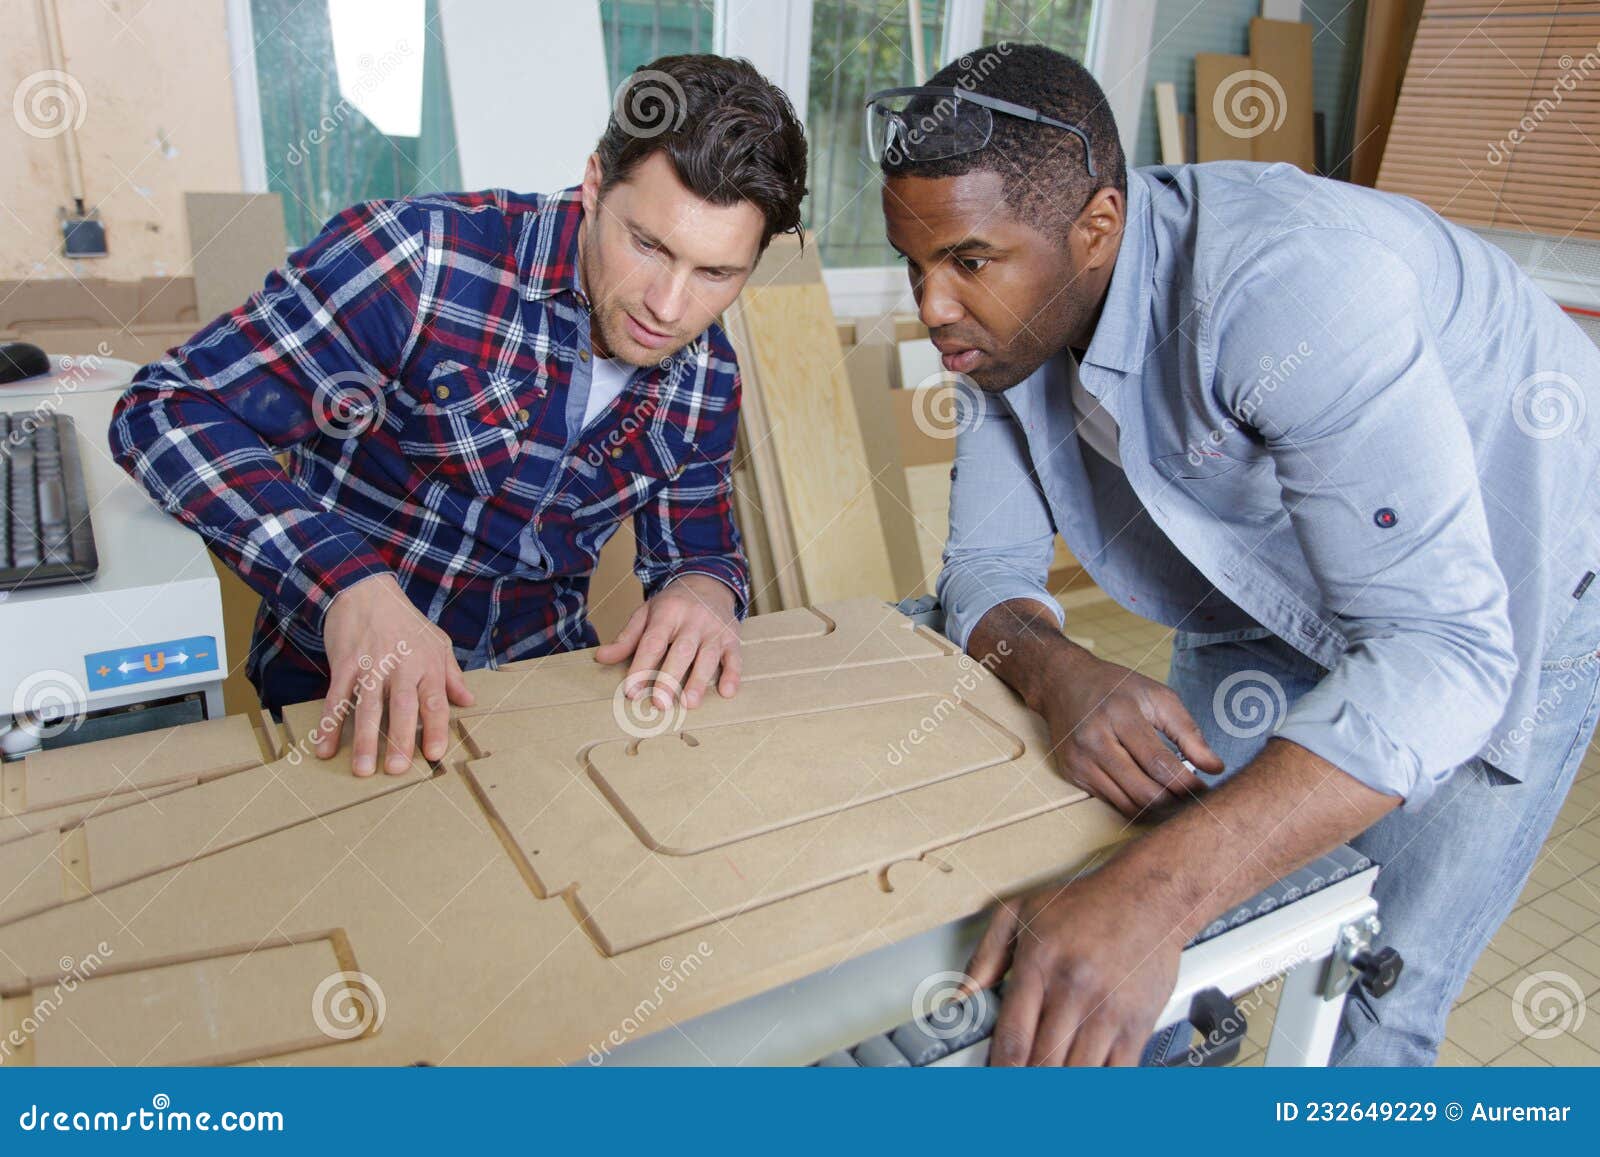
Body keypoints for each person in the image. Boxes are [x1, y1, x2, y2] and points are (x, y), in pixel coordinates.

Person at [869, 43, 1600, 1065]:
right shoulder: (1001, 331)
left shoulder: (1292, 289)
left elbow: (1441, 652)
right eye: (914, 262)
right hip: (1264, 584)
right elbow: (983, 572)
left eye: (967, 261)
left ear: (1096, 229)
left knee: (1371, 991)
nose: (930, 307)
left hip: (1499, 587)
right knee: (1128, 925)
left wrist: (1153, 895)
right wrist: (1060, 668)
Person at [110, 54, 807, 778]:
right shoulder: (418, 262)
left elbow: (696, 553)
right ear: (595, 184)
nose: (669, 306)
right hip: (338, 705)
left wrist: (704, 595)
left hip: (542, 704)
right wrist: (348, 584)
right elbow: (164, 411)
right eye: (648, 246)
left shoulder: (708, 375)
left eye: (716, 274)